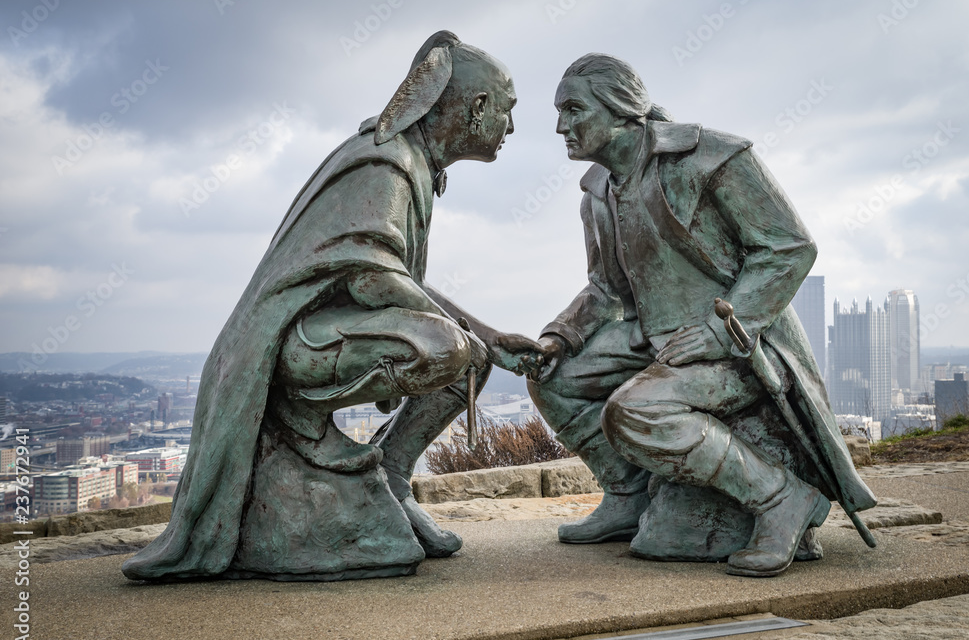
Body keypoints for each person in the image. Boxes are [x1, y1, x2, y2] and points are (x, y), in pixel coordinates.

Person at [123, 31, 542, 581]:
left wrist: (489, 336)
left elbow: (388, 275)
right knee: (447, 345)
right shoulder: (384, 163)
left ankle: (390, 483)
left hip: (331, 332)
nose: (511, 128)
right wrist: (468, 333)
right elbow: (373, 280)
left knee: (472, 352)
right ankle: (298, 427)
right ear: (478, 107)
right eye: (507, 112)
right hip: (292, 346)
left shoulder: (412, 162)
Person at [528, 53, 876, 577]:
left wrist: (721, 327)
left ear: (622, 108)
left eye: (573, 109)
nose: (561, 125)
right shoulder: (597, 192)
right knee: (552, 378)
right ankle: (627, 497)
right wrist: (556, 339)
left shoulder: (710, 156)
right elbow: (604, 290)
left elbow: (788, 248)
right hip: (654, 341)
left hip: (739, 345)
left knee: (634, 411)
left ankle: (779, 498)